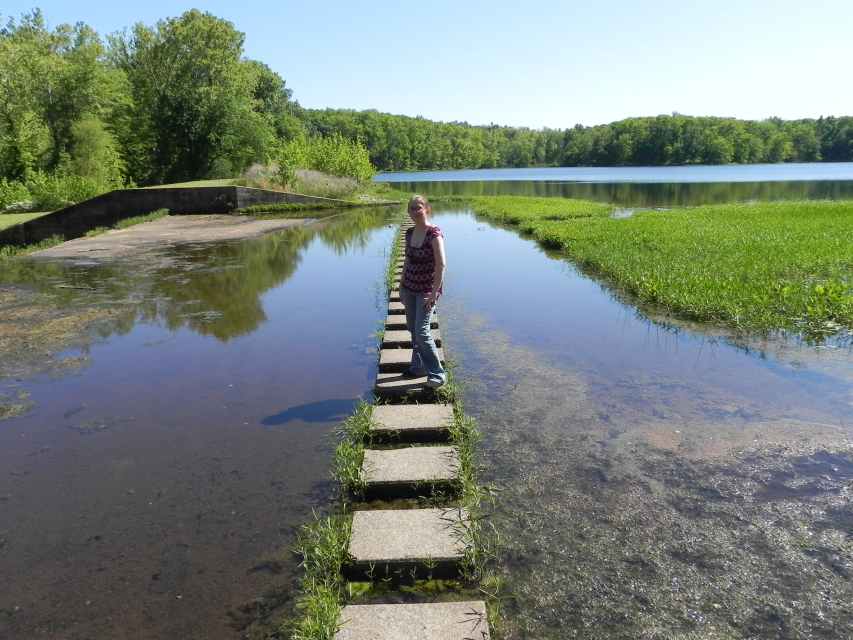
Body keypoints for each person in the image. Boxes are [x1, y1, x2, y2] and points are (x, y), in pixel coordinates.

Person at [400, 195, 447, 388]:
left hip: (426, 290)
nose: (414, 211)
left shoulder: (434, 233)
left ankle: (437, 373)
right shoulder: (409, 233)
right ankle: (418, 366)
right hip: (409, 287)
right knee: (412, 328)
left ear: (426, 208)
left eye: (418, 207)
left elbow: (442, 264)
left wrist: (435, 293)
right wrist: (401, 286)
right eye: (411, 208)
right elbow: (407, 261)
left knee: (422, 331)